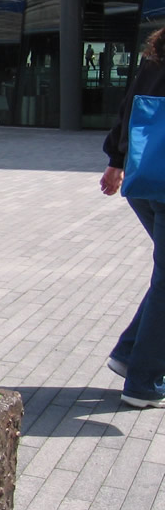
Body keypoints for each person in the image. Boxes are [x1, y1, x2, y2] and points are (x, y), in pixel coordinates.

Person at [101, 26, 165, 407]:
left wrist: (116, 161)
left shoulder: (154, 57)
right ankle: (144, 380)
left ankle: (129, 354)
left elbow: (130, 108)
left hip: (146, 178)